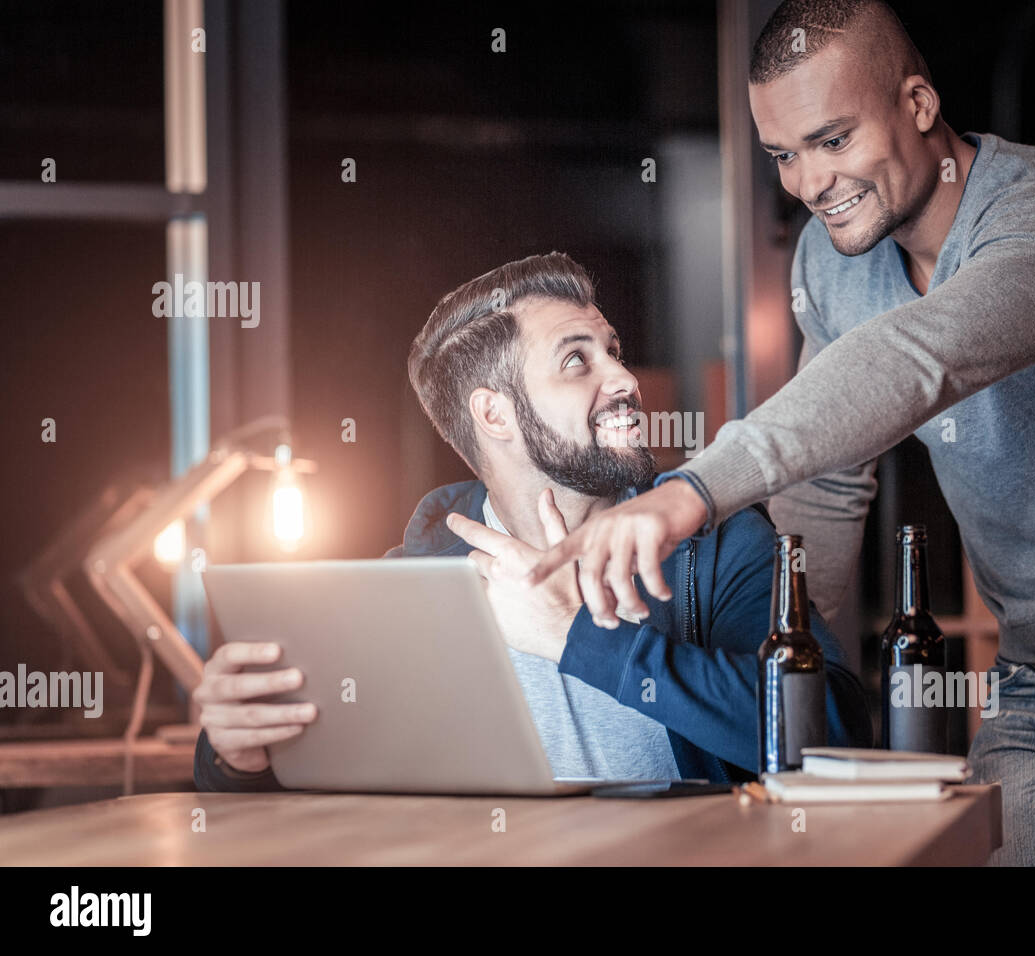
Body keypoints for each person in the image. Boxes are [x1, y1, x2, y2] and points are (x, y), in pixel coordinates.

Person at [526, 1, 1035, 865]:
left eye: (833, 140)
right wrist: (800, 688)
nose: (810, 183)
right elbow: (828, 482)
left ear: (920, 104)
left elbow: (922, 357)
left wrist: (690, 491)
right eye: (783, 155)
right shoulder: (829, 264)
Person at [192, 251, 873, 792]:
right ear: (495, 414)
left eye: (613, 350)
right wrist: (235, 756)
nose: (624, 379)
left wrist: (582, 639)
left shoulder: (716, 545)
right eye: (578, 361)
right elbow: (321, 783)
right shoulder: (415, 583)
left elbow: (833, 730)